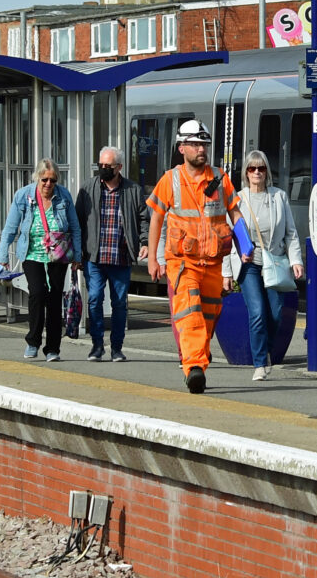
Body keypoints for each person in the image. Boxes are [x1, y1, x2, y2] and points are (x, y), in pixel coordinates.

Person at [146, 119, 242, 394]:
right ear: (182, 148)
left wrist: (245, 247)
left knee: (209, 317)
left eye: (204, 144)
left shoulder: (220, 179)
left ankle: (199, 353)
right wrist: (153, 258)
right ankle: (194, 369)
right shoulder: (170, 180)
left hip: (213, 263)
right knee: (190, 315)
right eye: (196, 144)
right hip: (182, 263)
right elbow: (156, 219)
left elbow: (235, 214)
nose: (202, 149)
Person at [0, 159, 82, 361]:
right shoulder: (23, 196)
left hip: (58, 254)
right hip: (31, 253)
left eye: (52, 180)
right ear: (37, 178)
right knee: (37, 292)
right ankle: (33, 341)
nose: (48, 184)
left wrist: (77, 256)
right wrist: (2, 255)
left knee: (54, 298)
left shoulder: (64, 196)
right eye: (44, 179)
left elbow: (75, 227)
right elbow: (11, 228)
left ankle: (53, 348)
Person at [233, 150, 302, 381]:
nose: (256, 173)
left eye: (260, 168)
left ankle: (267, 352)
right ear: (245, 173)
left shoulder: (279, 197)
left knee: (275, 314)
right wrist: (230, 265)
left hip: (275, 262)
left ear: (266, 172)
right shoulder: (238, 199)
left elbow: (291, 233)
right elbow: (227, 235)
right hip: (249, 263)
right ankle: (260, 363)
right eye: (251, 169)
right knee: (257, 313)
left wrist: (296, 261)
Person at [73, 147, 146, 362]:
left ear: (119, 167)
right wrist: (76, 254)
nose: (103, 169)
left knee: (119, 303)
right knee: (94, 299)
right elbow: (77, 222)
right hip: (94, 257)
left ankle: (116, 347)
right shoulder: (88, 188)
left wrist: (145, 242)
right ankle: (97, 345)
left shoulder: (133, 189)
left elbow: (144, 218)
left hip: (121, 257)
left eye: (108, 166)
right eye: (100, 165)